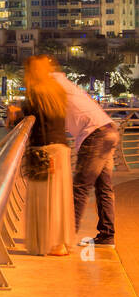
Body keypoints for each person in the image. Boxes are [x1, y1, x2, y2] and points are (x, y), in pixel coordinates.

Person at [35, 58, 118, 247]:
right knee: (104, 188)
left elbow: (41, 110)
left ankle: (64, 239)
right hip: (109, 130)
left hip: (95, 134)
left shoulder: (52, 83)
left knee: (80, 187)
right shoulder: (62, 83)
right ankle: (107, 235)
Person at [7, 58, 73, 256]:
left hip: (43, 151)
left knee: (43, 200)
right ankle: (60, 243)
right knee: (58, 199)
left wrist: (14, 114)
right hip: (60, 148)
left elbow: (32, 119)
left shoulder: (35, 93)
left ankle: (46, 244)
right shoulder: (56, 92)